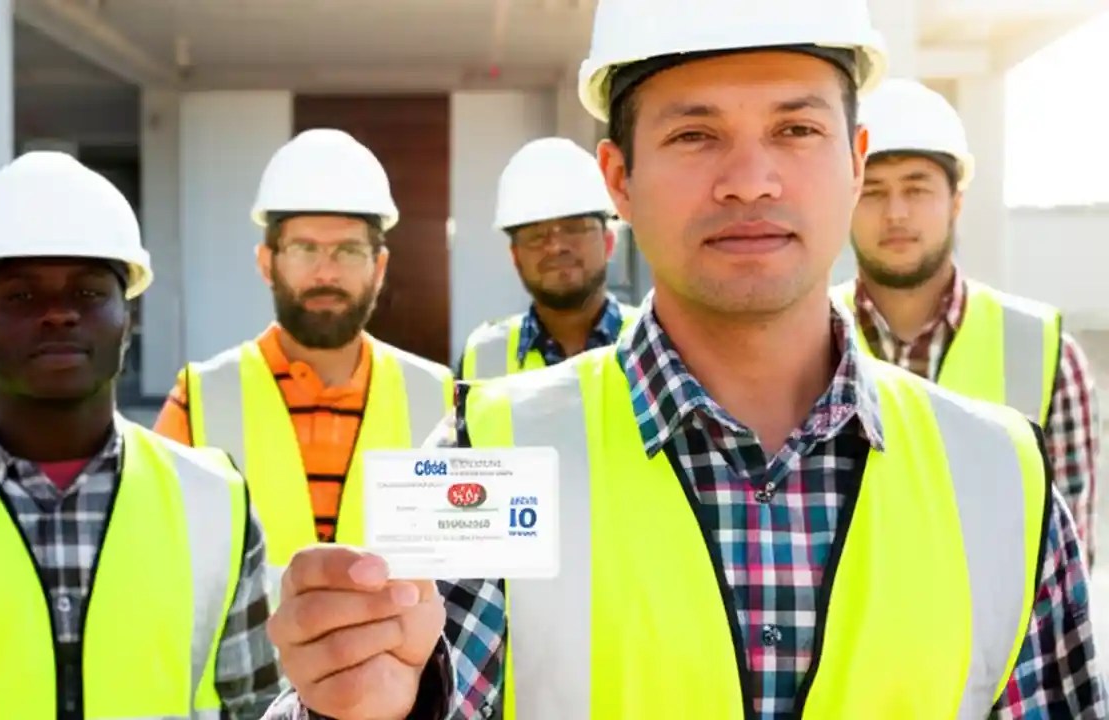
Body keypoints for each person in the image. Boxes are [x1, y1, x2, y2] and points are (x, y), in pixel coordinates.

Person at [260, 0, 1105, 718]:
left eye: (796, 128)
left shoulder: (1000, 479)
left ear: (854, 160)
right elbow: (391, 685)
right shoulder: (493, 453)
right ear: (620, 181)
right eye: (696, 133)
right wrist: (364, 696)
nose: (750, 179)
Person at [0, 152, 282, 717]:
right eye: (21, 295)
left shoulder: (215, 502)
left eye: (89, 292)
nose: (59, 314)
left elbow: (259, 707)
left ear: (128, 321)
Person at [153, 128, 453, 606]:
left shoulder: (437, 398)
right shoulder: (201, 398)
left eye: (348, 251)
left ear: (379, 267)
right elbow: (158, 562)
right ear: (267, 263)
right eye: (304, 249)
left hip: (396, 679)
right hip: (247, 680)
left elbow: (468, 577)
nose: (326, 273)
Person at [835, 77, 1100, 561]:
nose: (896, 213)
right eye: (872, 191)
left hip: (997, 640)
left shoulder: (1044, 353)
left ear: (956, 201)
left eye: (917, 188)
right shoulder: (803, 336)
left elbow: (1065, 559)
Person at [457, 136, 640, 379]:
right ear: (515, 256)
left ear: (608, 242)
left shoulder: (654, 342)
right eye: (536, 235)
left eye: (574, 228)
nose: (556, 246)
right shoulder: (484, 356)